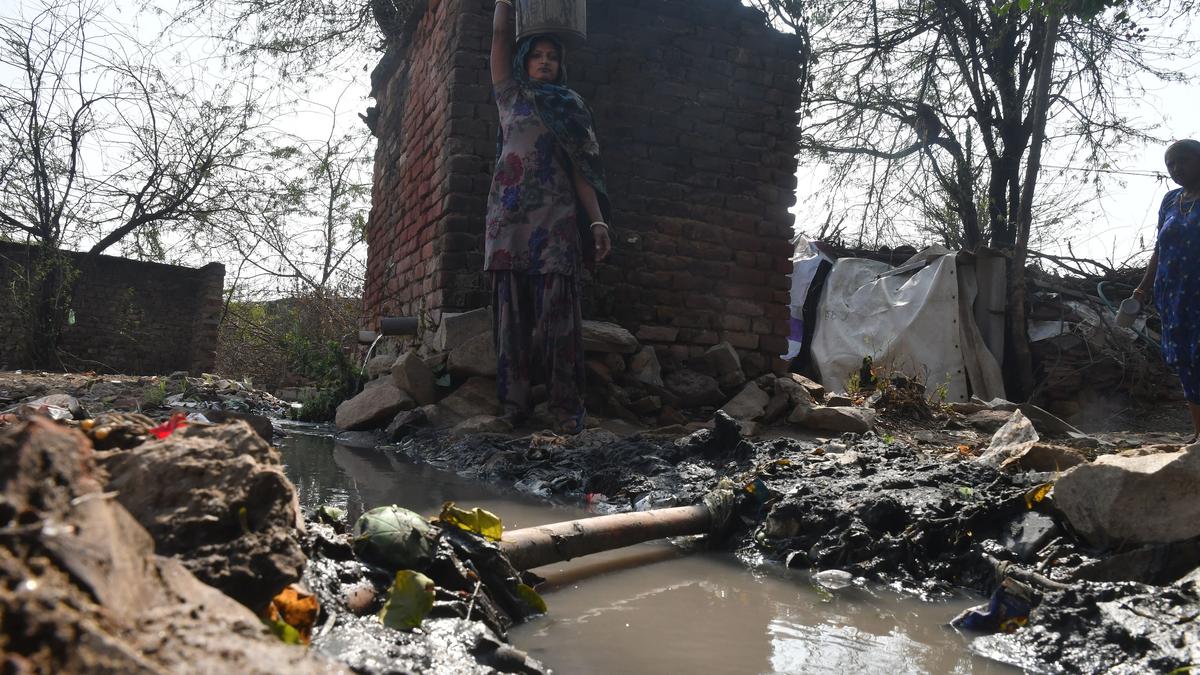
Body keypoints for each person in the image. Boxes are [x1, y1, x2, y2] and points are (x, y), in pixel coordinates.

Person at [487, 0, 612, 434]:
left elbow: (582, 171)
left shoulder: (571, 107)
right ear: (526, 60)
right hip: (508, 222)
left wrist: (596, 221)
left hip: (556, 222)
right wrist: (505, 2)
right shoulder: (510, 95)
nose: (544, 62)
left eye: (552, 57)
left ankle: (565, 408)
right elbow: (501, 38)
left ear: (561, 65)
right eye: (538, 55)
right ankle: (513, 406)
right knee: (512, 316)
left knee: (559, 317)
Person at [1133, 139, 1200, 443]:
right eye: (1170, 164)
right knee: (1185, 361)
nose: (1176, 169)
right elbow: (1159, 249)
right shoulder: (1170, 201)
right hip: (1173, 295)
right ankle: (1199, 434)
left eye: (1183, 161)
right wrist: (1142, 289)